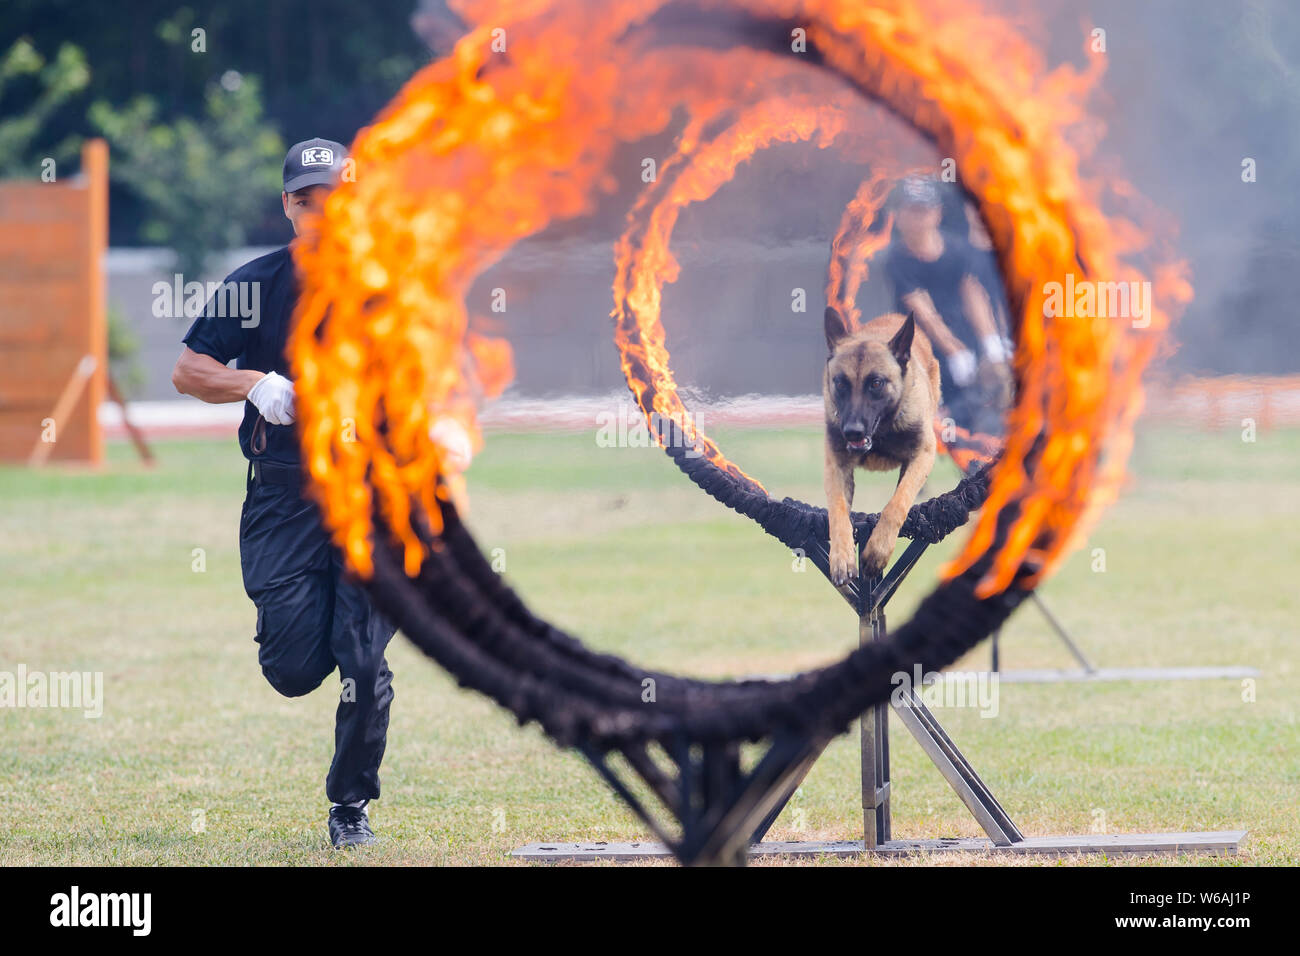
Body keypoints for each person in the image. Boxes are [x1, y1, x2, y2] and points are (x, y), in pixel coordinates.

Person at [170, 138, 396, 849]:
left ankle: (350, 806)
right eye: (307, 201)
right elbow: (187, 370)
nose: (322, 215)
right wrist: (254, 383)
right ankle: (322, 622)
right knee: (296, 669)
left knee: (361, 659)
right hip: (284, 496)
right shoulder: (256, 284)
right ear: (287, 207)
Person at [882, 176, 1012, 433]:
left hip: (965, 335)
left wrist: (991, 344)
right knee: (946, 417)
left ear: (937, 214)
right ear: (898, 216)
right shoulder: (897, 259)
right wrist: (955, 352)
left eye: (924, 210)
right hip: (924, 346)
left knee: (993, 409)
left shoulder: (958, 251)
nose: (918, 218)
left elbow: (974, 297)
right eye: (911, 211)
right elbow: (923, 312)